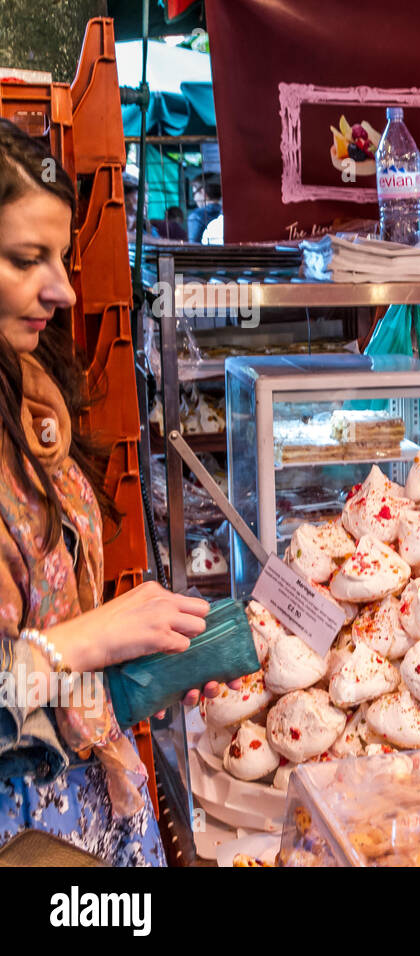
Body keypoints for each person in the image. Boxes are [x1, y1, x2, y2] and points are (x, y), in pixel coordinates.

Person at [0, 121, 222, 864]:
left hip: (82, 813)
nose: (62, 289)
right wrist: (87, 641)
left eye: (60, 256)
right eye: (27, 259)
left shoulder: (27, 393)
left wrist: (130, 678)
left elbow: (48, 647)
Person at [187, 171, 221, 243]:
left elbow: (193, 247)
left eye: (194, 193)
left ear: (202, 192)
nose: (194, 198)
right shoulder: (226, 214)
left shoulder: (196, 216)